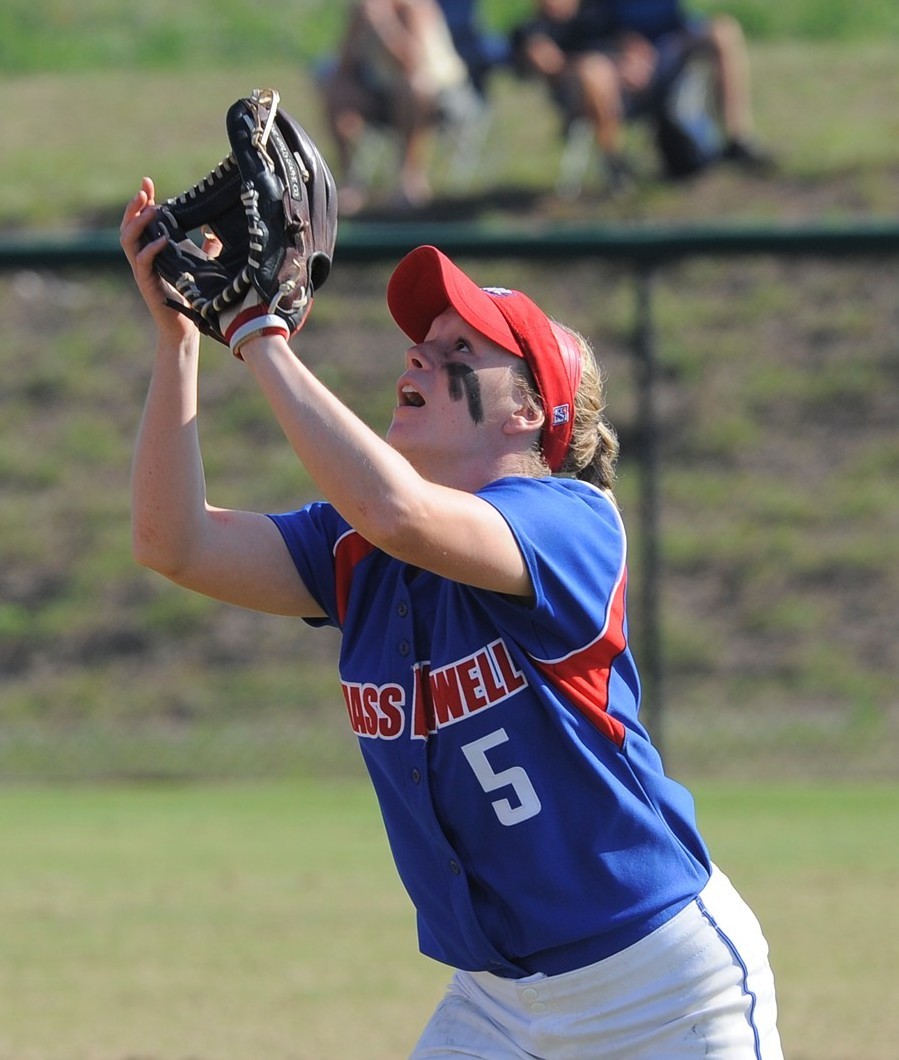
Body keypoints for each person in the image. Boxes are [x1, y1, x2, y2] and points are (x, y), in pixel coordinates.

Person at [121, 179, 783, 1058]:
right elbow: (177, 544)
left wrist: (257, 334)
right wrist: (179, 342)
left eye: (459, 345)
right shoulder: (358, 545)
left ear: (526, 410)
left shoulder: (570, 524)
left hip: (657, 990)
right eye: (421, 343)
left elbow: (401, 513)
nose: (420, 357)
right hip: (497, 1005)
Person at [320, 0, 476, 213]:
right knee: (338, 90)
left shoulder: (415, 9)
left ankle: (410, 179)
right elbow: (343, 66)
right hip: (384, 92)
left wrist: (383, 24)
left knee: (412, 88)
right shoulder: (364, 11)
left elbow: (411, 62)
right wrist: (358, 25)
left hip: (440, 96)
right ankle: (352, 181)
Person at [511, 0, 659, 190]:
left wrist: (634, 62)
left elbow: (632, 42)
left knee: (603, 71)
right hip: (574, 97)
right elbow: (546, 67)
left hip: (628, 88)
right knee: (595, 72)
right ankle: (613, 157)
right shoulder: (533, 31)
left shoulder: (597, 14)